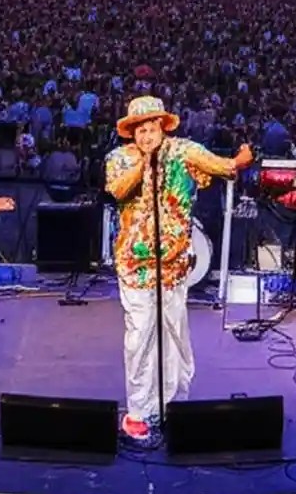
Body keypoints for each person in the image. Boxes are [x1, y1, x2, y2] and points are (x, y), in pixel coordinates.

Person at [105, 96, 252, 440]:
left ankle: (174, 405)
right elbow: (118, 189)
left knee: (174, 335)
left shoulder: (184, 151)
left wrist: (240, 161)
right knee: (140, 336)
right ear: (131, 133)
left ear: (162, 127)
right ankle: (139, 410)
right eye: (139, 130)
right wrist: (145, 163)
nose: (146, 136)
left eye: (151, 128)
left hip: (173, 266)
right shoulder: (119, 158)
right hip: (136, 266)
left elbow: (223, 166)